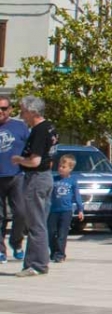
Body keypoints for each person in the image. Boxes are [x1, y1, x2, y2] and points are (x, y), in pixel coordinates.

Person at [12, 96, 57, 276]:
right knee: (39, 222)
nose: (22, 115)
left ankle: (37, 264)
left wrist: (19, 160)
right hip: (46, 177)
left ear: (32, 112)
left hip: (36, 178)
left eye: (23, 111)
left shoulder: (39, 130)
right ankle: (34, 262)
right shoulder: (51, 128)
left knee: (35, 223)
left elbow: (35, 160)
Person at [0, 95, 30, 264]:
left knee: (21, 213)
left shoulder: (20, 126)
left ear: (10, 110)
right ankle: (0, 251)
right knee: (0, 216)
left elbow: (30, 148)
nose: (0, 111)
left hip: (16, 176)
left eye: (4, 108)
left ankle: (16, 244)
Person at [48, 154, 84, 263]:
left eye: (63, 167)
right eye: (59, 166)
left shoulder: (72, 181)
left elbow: (77, 195)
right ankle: (54, 252)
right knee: (50, 232)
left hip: (66, 211)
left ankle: (60, 254)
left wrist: (80, 209)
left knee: (62, 234)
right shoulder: (53, 179)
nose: (60, 168)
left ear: (70, 168)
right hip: (53, 210)